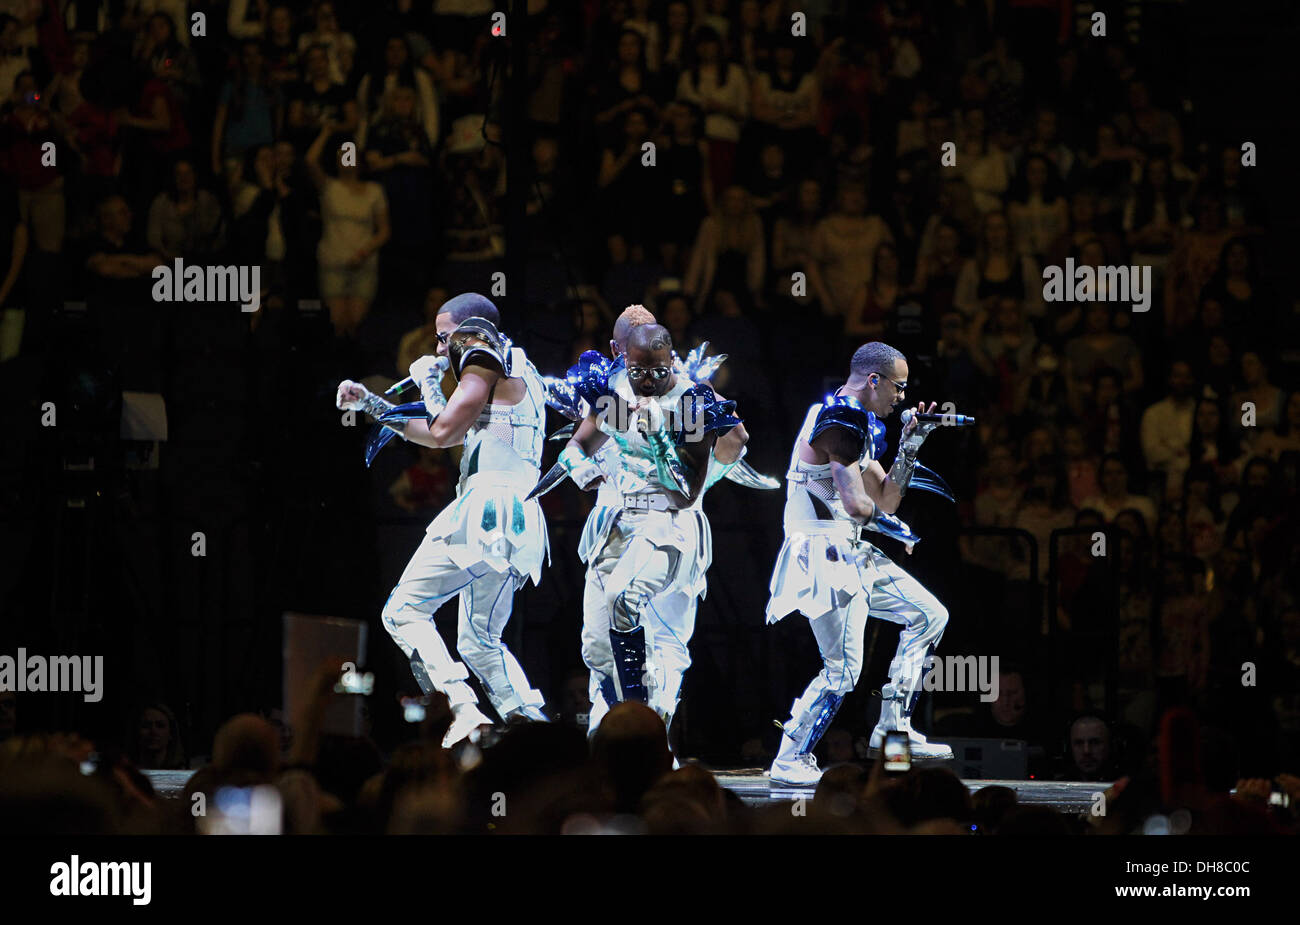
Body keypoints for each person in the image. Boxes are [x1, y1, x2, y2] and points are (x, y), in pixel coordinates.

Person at [335, 293, 550, 746]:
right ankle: (533, 728)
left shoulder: (480, 351)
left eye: (442, 337)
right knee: (479, 640)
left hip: (487, 510)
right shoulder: (519, 366)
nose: (438, 350)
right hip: (517, 515)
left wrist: (428, 385)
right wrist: (374, 405)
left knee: (403, 610)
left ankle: (462, 708)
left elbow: (443, 429)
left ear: (471, 329)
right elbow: (440, 435)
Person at [555, 306, 755, 753]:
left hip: (668, 522)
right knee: (595, 644)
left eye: (656, 370)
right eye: (636, 369)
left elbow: (686, 490)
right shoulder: (614, 391)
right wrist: (582, 471)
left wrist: (658, 432)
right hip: (614, 523)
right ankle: (608, 746)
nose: (645, 379)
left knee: (643, 620)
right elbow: (578, 445)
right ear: (621, 356)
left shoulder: (689, 401)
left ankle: (644, 731)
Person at [766, 342, 954, 786]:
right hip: (823, 553)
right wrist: (898, 530)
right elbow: (855, 505)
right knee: (844, 670)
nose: (902, 397)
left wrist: (909, 446)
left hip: (849, 549)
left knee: (928, 615)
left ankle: (893, 726)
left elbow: (885, 497)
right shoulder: (838, 419)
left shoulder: (855, 425)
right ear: (875, 380)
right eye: (899, 387)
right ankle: (789, 757)